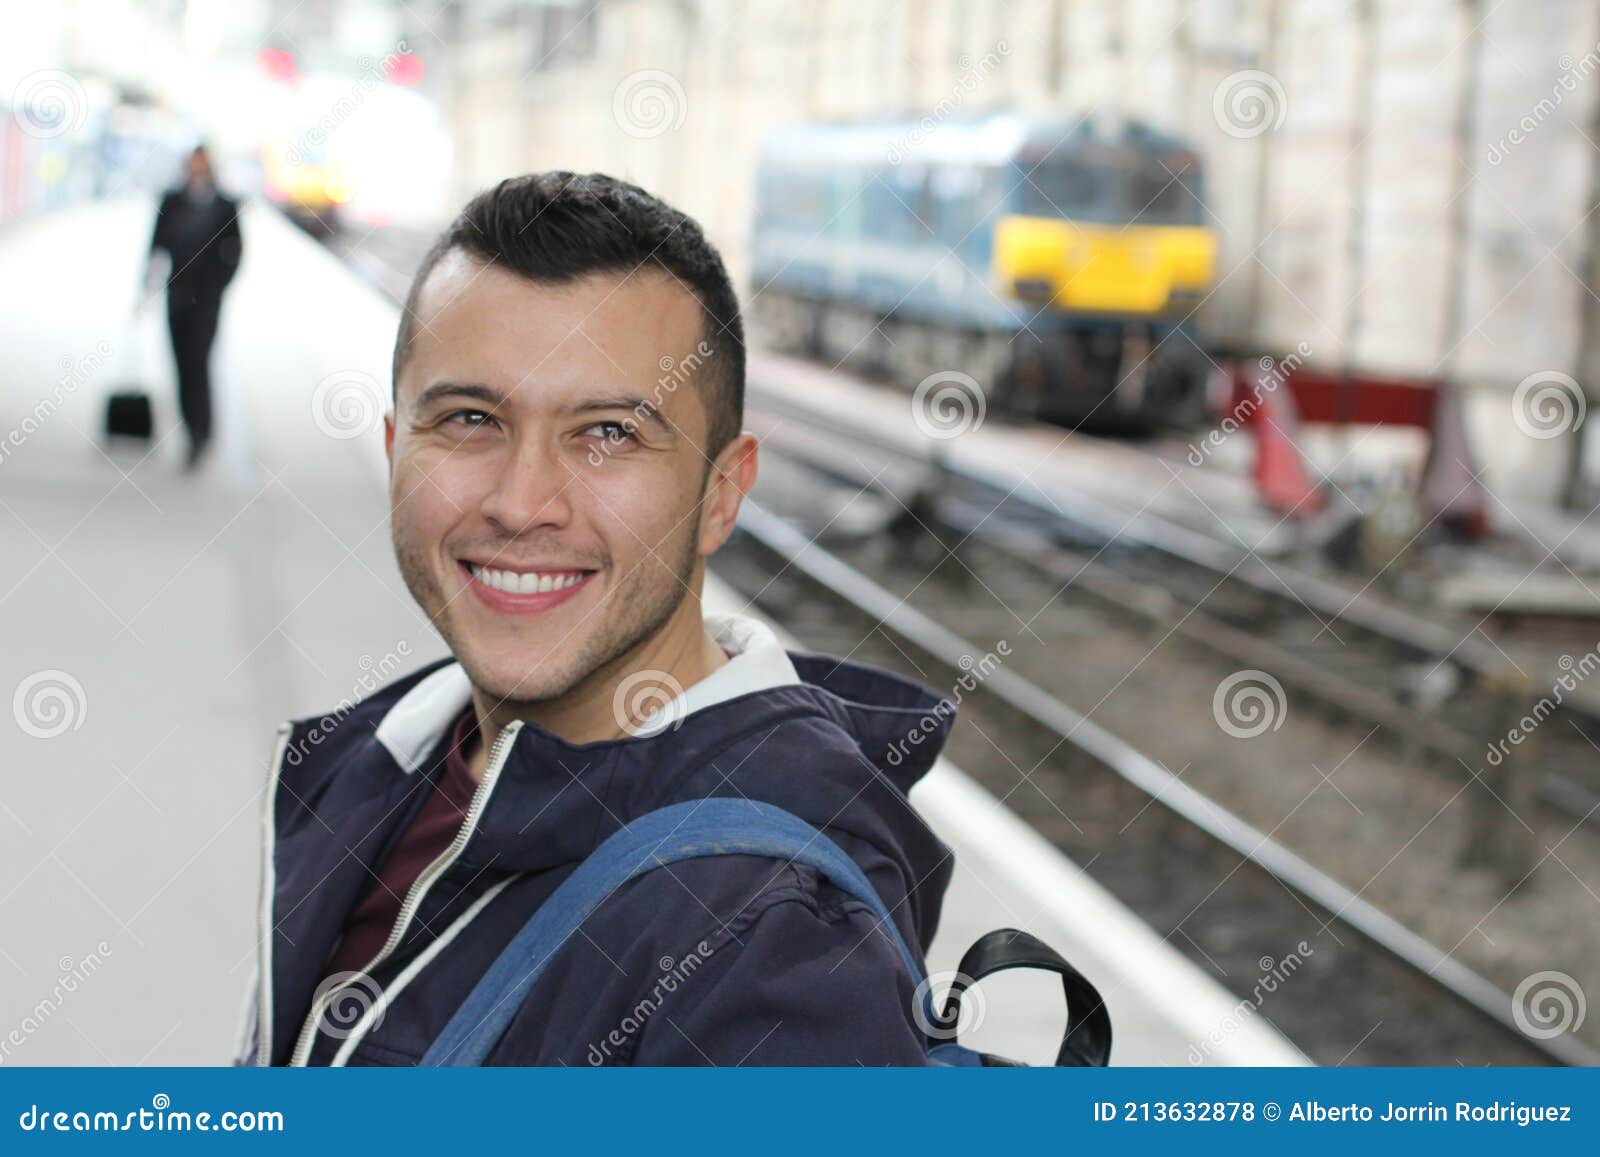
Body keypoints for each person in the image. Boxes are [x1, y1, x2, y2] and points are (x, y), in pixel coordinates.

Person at [235, 172, 956, 1067]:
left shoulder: (776, 948)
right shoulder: (380, 759)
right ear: (395, 450)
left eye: (609, 433)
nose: (521, 502)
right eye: (470, 419)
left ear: (722, 493)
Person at [147, 145, 242, 469]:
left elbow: (236, 251)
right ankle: (190, 429)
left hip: (206, 301)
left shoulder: (225, 205)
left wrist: (219, 286)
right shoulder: (172, 201)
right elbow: (155, 245)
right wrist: (145, 287)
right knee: (180, 366)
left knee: (198, 363)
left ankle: (202, 433)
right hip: (177, 297)